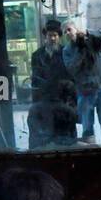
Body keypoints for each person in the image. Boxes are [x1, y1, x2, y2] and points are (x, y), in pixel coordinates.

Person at [62, 19, 101, 146]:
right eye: (65, 32)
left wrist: (87, 32)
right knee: (87, 129)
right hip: (85, 91)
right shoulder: (67, 51)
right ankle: (92, 154)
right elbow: (72, 69)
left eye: (69, 29)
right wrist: (81, 50)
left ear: (76, 29)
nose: (68, 33)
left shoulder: (91, 40)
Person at [28, 18, 77, 148]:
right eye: (50, 35)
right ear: (45, 36)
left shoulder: (65, 53)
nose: (53, 38)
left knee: (66, 135)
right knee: (44, 135)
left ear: (59, 37)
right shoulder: (37, 55)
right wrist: (36, 101)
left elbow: (71, 77)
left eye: (55, 35)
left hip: (63, 99)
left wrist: (71, 102)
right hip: (44, 100)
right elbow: (35, 80)